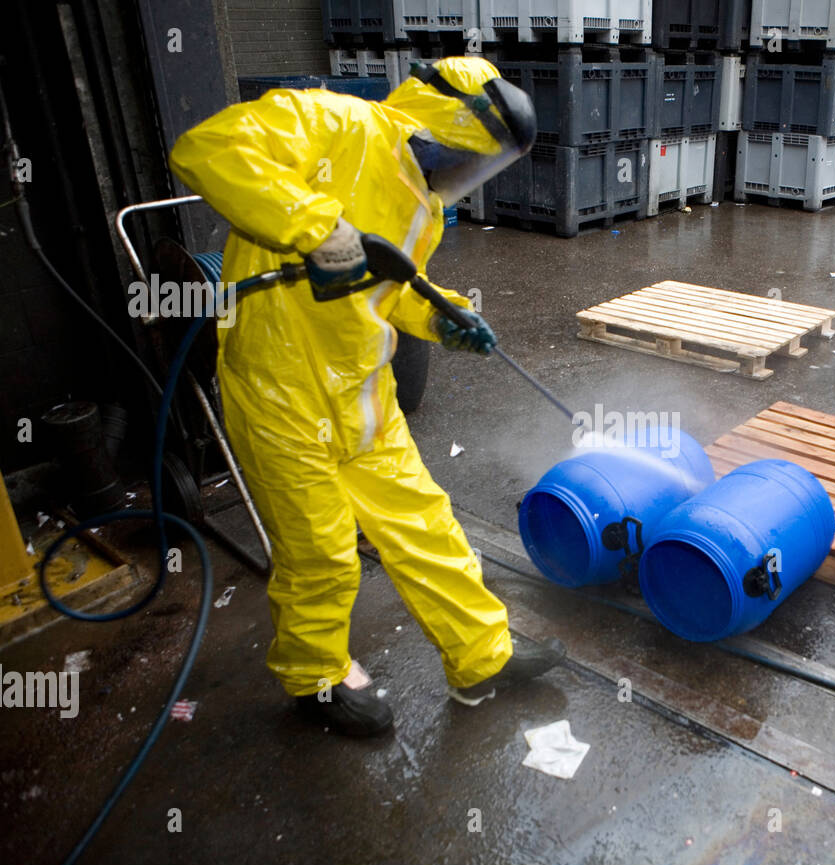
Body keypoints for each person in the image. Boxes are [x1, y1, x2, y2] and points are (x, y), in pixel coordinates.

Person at [168, 57, 564, 737]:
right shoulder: (333, 121)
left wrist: (439, 318)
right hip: (280, 393)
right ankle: (316, 679)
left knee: (426, 527)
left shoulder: (425, 207)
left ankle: (482, 659)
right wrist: (318, 227)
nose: (472, 175)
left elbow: (390, 292)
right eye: (478, 155)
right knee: (319, 550)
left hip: (363, 390)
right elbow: (204, 149)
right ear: (446, 122)